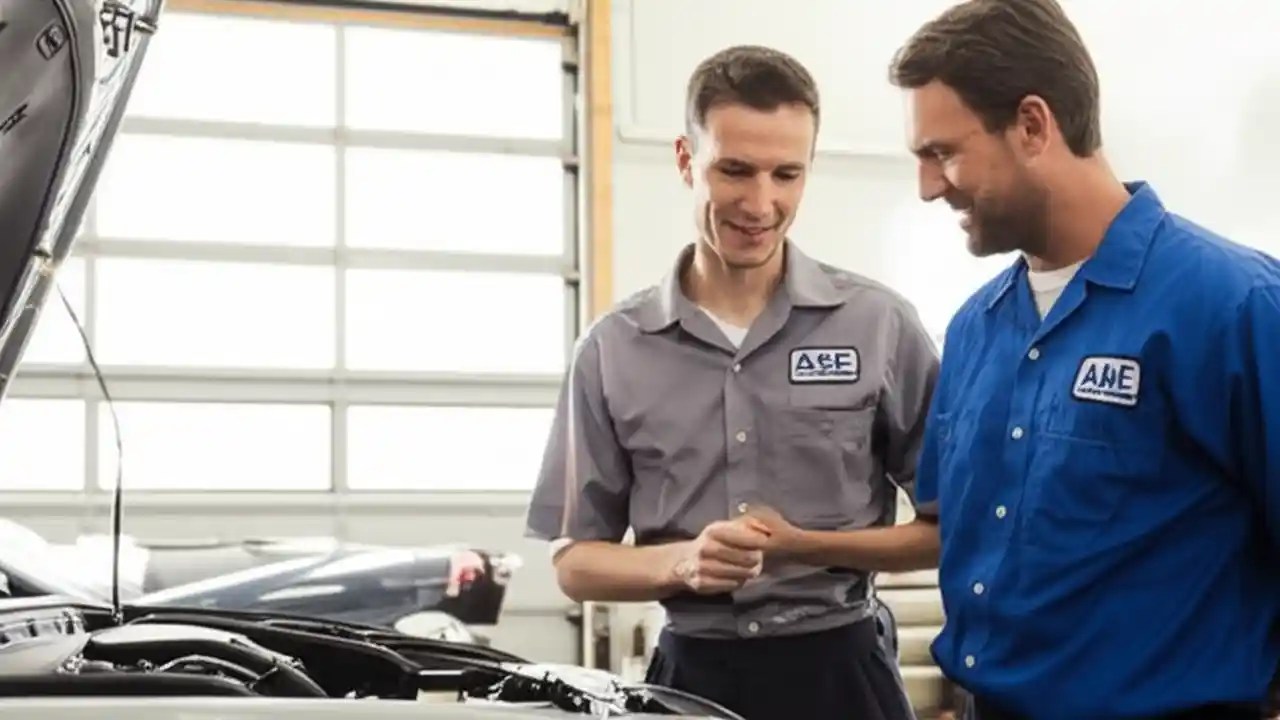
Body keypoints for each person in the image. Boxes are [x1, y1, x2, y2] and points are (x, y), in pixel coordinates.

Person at [887, 1, 1280, 719]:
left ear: (1034, 125)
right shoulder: (974, 329)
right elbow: (964, 544)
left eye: (941, 152)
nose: (928, 186)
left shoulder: (1234, 306)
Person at [525, 44, 940, 720]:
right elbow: (576, 563)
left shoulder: (880, 326)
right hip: (691, 676)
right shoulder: (613, 349)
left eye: (787, 174)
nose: (761, 203)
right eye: (735, 170)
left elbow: (945, 529)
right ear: (687, 160)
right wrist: (681, 562)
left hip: (844, 672)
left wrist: (807, 547)